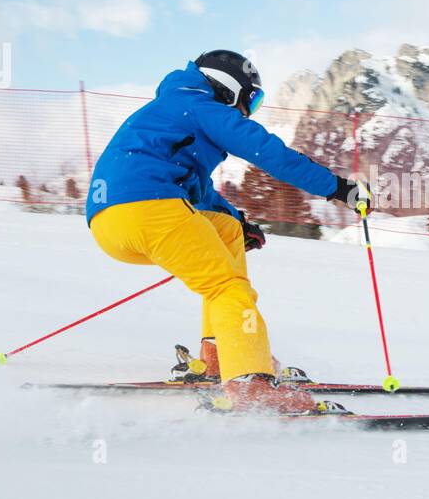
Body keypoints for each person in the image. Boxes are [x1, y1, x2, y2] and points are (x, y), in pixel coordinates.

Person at [85, 50, 369, 414]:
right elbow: (269, 152)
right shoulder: (203, 106)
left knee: (227, 231)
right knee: (227, 288)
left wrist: (237, 219)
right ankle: (251, 383)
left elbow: (196, 189)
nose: (249, 109)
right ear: (230, 88)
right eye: (253, 99)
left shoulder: (174, 108)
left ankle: (219, 352)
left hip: (110, 223)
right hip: (150, 208)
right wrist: (338, 188)